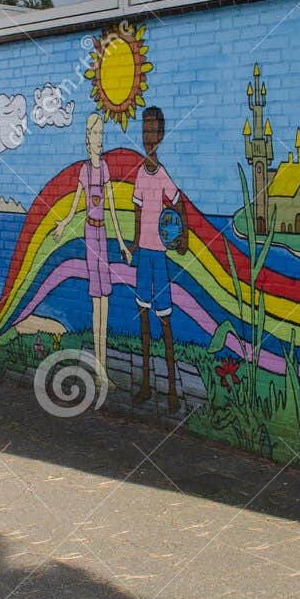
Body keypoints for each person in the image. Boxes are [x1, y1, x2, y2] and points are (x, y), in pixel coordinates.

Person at [55, 112, 130, 390]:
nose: (99, 139)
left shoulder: (105, 168)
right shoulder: (85, 171)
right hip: (90, 233)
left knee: (104, 303)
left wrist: (121, 243)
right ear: (88, 138)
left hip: (102, 234)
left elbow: (111, 210)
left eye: (101, 134)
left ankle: (103, 371)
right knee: (97, 300)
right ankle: (100, 371)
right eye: (95, 134)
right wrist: (64, 222)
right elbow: (76, 203)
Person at [130, 106, 185, 411]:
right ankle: (146, 384)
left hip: (160, 257)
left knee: (164, 322)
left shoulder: (161, 174)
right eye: (145, 131)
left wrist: (181, 238)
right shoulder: (140, 174)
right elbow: (137, 211)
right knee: (143, 320)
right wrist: (134, 243)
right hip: (144, 257)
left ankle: (173, 389)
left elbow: (179, 203)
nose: (148, 138)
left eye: (152, 132)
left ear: (161, 136)